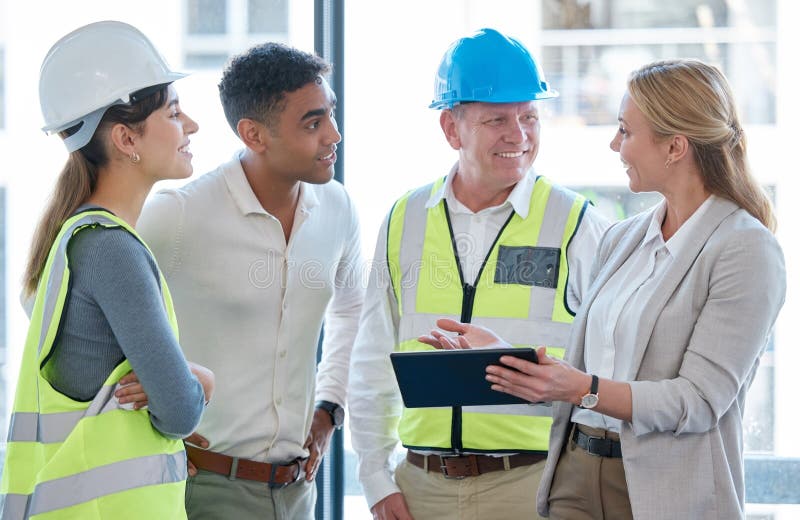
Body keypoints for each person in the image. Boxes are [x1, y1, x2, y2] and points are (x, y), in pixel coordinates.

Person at [424, 59, 786, 520]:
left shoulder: (745, 249)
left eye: (625, 131)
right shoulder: (623, 238)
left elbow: (698, 401)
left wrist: (582, 389)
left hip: (662, 491)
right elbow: (590, 371)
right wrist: (509, 358)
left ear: (675, 146)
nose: (615, 144)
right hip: (575, 473)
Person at [347, 28, 609, 520]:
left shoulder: (577, 223)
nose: (520, 134)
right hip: (419, 487)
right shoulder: (405, 218)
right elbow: (370, 361)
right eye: (497, 120)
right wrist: (376, 479)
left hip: (533, 486)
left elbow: (612, 365)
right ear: (451, 129)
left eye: (529, 116)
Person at [136, 42, 363, 520]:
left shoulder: (338, 207)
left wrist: (329, 408)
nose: (334, 135)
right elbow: (60, 295)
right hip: (202, 487)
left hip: (299, 488)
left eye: (332, 116)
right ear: (254, 134)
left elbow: (350, 306)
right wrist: (142, 384)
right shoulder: (178, 215)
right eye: (313, 122)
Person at [0, 21, 214, 519]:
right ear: (125, 138)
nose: (192, 126)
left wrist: (175, 381)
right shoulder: (111, 250)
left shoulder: (75, 237)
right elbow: (180, 410)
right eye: (175, 112)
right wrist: (199, 377)